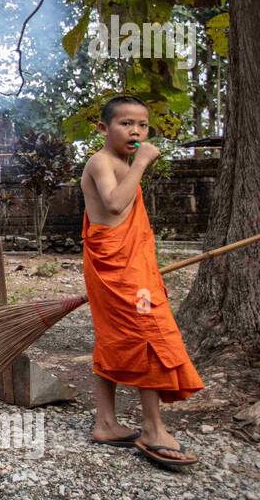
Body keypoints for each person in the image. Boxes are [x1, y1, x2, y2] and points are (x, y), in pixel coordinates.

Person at [79, 95, 204, 469]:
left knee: (116, 338)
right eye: (125, 123)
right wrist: (144, 161)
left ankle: (106, 422)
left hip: (127, 266)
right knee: (147, 335)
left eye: (142, 125)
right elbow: (115, 204)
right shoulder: (102, 161)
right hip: (117, 269)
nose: (136, 131)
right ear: (103, 128)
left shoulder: (122, 162)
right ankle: (152, 428)